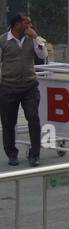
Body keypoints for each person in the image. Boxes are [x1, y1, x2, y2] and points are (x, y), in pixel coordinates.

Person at [1, 15, 48, 167]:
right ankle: (12, 154)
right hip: (8, 86)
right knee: (8, 123)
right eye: (26, 22)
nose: (30, 25)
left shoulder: (32, 39)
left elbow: (43, 55)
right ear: (16, 24)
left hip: (29, 86)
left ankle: (34, 154)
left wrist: (37, 39)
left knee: (33, 118)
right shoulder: (3, 41)